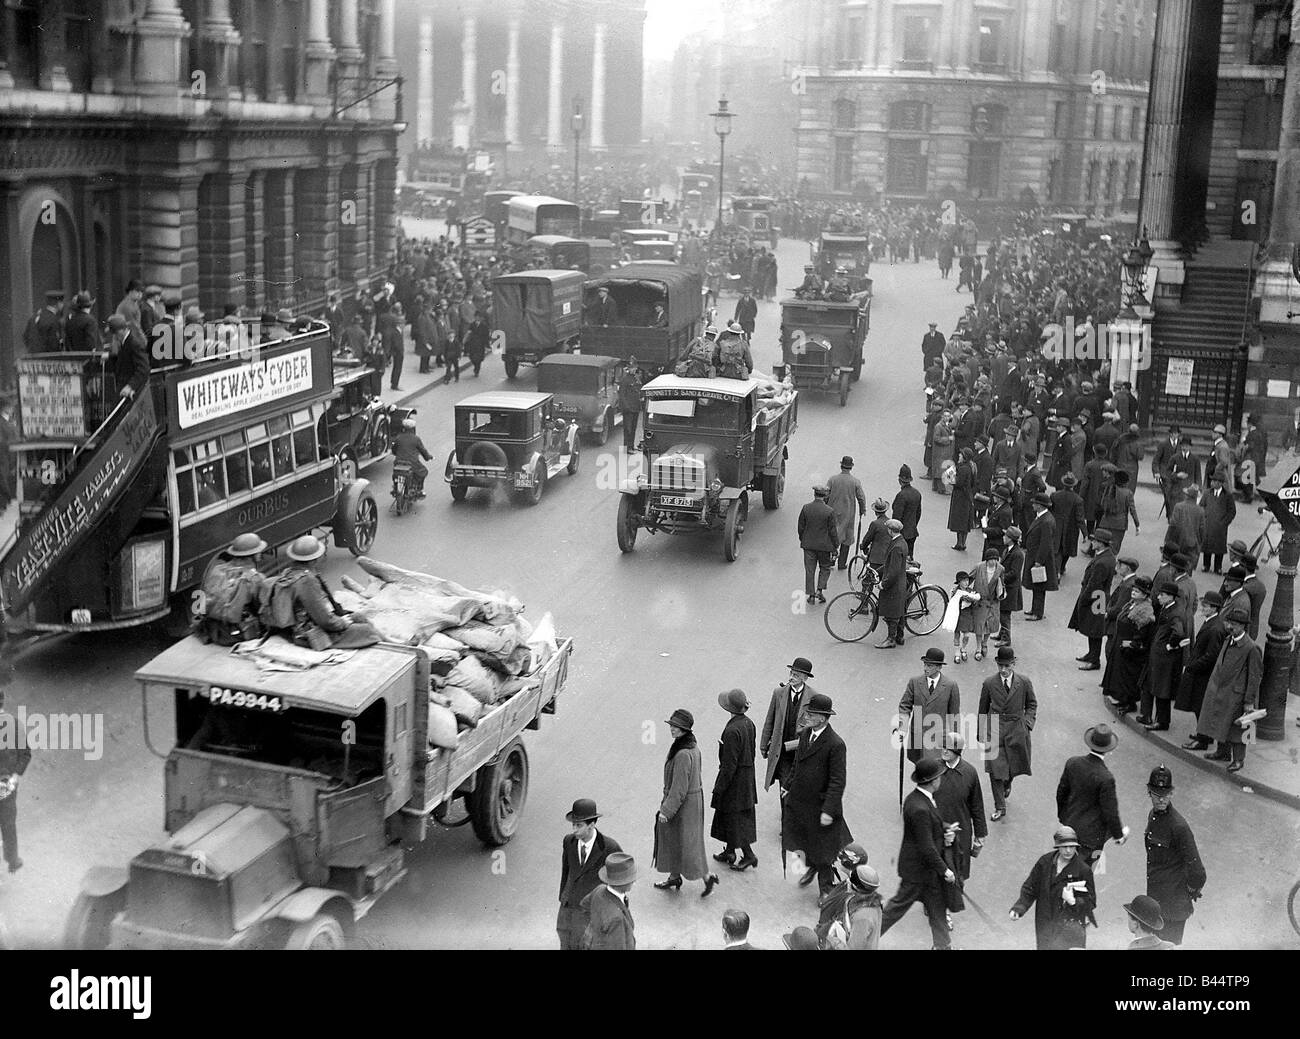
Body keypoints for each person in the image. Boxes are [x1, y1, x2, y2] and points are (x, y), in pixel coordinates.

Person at [879, 757, 955, 950]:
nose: (941, 779)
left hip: (925, 871)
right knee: (896, 908)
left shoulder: (918, 799)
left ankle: (943, 946)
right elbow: (926, 845)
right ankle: (866, 936)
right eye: (939, 776)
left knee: (937, 909)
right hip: (918, 872)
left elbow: (928, 828)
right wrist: (945, 871)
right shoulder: (920, 807)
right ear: (933, 781)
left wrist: (945, 828)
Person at [781, 694, 851, 896]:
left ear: (823, 718)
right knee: (801, 840)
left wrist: (829, 810)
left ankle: (826, 889)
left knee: (824, 850)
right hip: (801, 800)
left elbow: (838, 781)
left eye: (811, 713)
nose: (807, 716)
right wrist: (788, 784)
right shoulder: (805, 735)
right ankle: (810, 867)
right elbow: (797, 764)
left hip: (821, 806)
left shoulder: (836, 744)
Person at [265, 535, 381, 650]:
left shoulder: (290, 572)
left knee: (358, 617)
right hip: (309, 635)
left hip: (300, 628)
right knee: (366, 630)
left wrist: (342, 616)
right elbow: (323, 618)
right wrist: (341, 622)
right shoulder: (307, 581)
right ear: (314, 559)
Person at [654, 709, 719, 897]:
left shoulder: (682, 753)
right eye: (672, 726)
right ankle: (675, 876)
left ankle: (707, 877)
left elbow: (679, 788)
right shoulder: (691, 746)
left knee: (688, 846)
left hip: (684, 806)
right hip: (692, 802)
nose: (672, 729)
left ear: (684, 729)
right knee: (680, 842)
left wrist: (666, 811)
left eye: (676, 727)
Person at [1142, 765, 1205, 945]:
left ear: (1171, 794)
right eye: (1156, 794)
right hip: (1156, 902)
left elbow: (1198, 872)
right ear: (1149, 793)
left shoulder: (1179, 826)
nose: (1161, 799)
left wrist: (1190, 890)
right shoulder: (1153, 816)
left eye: (1166, 794)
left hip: (1173, 909)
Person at [1008, 826, 1097, 950]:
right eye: (1064, 846)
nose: (1068, 851)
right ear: (1058, 846)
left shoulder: (1083, 870)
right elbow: (1031, 887)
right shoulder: (1045, 862)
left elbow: (1091, 902)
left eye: (1072, 846)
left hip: (1070, 930)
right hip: (1045, 925)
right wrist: (1019, 907)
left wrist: (1073, 901)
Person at [1197, 605, 1262, 773]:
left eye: (1234, 624)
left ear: (1243, 626)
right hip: (1222, 689)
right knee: (1220, 721)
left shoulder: (1251, 647)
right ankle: (1222, 752)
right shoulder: (1228, 640)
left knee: (1237, 729)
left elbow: (1255, 677)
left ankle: (1239, 760)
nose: (1230, 626)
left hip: (1238, 695)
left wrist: (1249, 701)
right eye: (1229, 622)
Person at [1055, 724, 1128, 866]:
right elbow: (1110, 812)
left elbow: (1061, 793)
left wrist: (1064, 817)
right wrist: (1119, 835)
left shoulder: (1073, 763)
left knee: (1062, 867)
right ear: (1108, 749)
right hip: (1091, 839)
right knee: (1084, 875)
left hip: (1069, 828)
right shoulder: (1106, 778)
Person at [978, 646, 1036, 821]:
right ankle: (1000, 806)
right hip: (994, 729)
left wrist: (1027, 724)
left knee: (1012, 766)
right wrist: (981, 732)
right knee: (995, 770)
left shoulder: (1024, 682)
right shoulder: (989, 683)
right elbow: (983, 708)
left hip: (1017, 730)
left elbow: (1032, 704)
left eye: (1007, 666)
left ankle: (1008, 783)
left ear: (1014, 664)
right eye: (1000, 666)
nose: (1003, 670)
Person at [557, 798, 623, 950]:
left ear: (592, 825)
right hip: (568, 909)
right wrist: (563, 898)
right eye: (573, 824)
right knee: (565, 943)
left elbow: (619, 881)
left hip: (590, 913)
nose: (574, 829)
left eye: (578, 825)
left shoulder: (609, 847)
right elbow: (566, 871)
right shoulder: (568, 841)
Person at [711, 689, 758, 872]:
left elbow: (729, 765)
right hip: (746, 779)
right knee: (730, 817)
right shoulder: (749, 724)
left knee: (735, 819)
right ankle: (730, 851)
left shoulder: (731, 730)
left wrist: (719, 787)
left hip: (734, 783)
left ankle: (749, 855)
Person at [1176, 591, 1227, 750]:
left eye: (1206, 605)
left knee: (1201, 706)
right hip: (1202, 672)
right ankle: (1203, 735)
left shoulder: (1215, 628)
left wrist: (1192, 666)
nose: (1203, 608)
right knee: (1200, 705)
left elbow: (1211, 656)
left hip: (1203, 674)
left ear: (1215, 608)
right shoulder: (1212, 623)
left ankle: (1203, 739)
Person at [935, 731, 987, 887]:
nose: (944, 750)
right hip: (936, 829)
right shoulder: (932, 768)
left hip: (960, 832)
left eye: (948, 749)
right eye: (943, 747)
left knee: (958, 870)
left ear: (957, 752)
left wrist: (980, 835)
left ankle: (952, 898)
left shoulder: (970, 773)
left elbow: (977, 806)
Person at [760, 657, 816, 792]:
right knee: (784, 785)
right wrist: (763, 745)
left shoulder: (813, 697)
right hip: (783, 751)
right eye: (791, 673)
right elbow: (770, 720)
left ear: (805, 678)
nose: (791, 677)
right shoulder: (779, 693)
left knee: (799, 786)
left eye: (796, 675)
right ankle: (786, 812)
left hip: (801, 751)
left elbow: (814, 726)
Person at [1138, 581, 1187, 733]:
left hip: (1164, 658)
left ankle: (1162, 721)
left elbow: (1178, 633)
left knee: (1162, 690)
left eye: (1162, 595)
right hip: (1158, 655)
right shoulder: (1168, 608)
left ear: (1171, 596)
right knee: (1152, 685)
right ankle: (1149, 715)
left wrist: (1170, 645)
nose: (1158, 597)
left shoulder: (1175, 613)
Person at [897, 648, 960, 764]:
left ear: (939, 667)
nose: (925, 668)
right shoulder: (915, 682)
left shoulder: (951, 686)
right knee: (920, 771)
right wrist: (902, 727)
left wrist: (955, 740)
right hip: (917, 737)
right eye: (925, 664)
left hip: (938, 739)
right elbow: (905, 705)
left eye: (929, 666)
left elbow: (954, 715)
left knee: (936, 771)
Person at [1104, 576, 1156, 714]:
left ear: (1145, 595)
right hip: (1121, 642)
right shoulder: (1132, 604)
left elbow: (1141, 634)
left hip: (1129, 647)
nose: (1134, 592)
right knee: (1120, 673)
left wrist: (1129, 645)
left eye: (1138, 591)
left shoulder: (1145, 611)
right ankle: (1120, 698)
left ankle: (1129, 703)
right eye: (1134, 589)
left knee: (1128, 676)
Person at [1069, 529, 1116, 670]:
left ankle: (1095, 660)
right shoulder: (1106, 556)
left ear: (1101, 543)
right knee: (1093, 627)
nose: (1092, 543)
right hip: (1099, 597)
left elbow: (1094, 584)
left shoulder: (1102, 561)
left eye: (1095, 541)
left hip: (1097, 598)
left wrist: (1084, 599)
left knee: (1095, 629)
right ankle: (1091, 654)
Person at [0, 686, 30, 876]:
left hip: (7, 784)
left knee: (8, 823)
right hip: (8, 784)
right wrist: (15, 776)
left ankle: (12, 859)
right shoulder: (14, 724)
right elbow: (25, 754)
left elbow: (25, 753)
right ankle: (12, 860)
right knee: (8, 823)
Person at [580, 852, 637, 950]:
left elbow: (584, 905)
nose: (634, 881)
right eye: (631, 878)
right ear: (622, 882)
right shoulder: (616, 919)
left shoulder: (599, 889)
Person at [798, 484, 839, 606]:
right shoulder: (829, 511)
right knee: (825, 567)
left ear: (814, 494)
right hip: (824, 547)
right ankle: (819, 590)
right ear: (825, 496)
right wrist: (835, 546)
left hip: (808, 545)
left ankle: (811, 595)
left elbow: (801, 527)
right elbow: (833, 531)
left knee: (810, 570)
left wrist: (803, 539)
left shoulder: (806, 508)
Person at [1022, 493, 1058, 620]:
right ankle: (1034, 609)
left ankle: (1037, 613)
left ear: (1040, 505)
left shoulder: (1046, 521)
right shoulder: (1043, 518)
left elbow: (1045, 543)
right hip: (1035, 556)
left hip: (1039, 559)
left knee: (1039, 586)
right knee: (1035, 586)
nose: (1032, 505)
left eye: (1034, 503)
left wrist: (1039, 560)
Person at [827, 456, 867, 571]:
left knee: (833, 534)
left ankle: (831, 559)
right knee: (847, 537)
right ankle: (841, 563)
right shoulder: (855, 481)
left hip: (832, 511)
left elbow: (826, 493)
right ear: (851, 467)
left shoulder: (832, 479)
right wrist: (862, 509)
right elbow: (861, 497)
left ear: (841, 466)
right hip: (848, 514)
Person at [875, 519, 909, 649]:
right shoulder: (901, 542)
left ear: (890, 530)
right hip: (900, 582)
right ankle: (900, 636)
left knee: (892, 613)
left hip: (894, 585)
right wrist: (879, 571)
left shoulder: (896, 547)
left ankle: (891, 639)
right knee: (899, 610)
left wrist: (883, 584)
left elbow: (893, 570)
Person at [969, 549, 1004, 661]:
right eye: (990, 559)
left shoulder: (1000, 569)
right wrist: (963, 590)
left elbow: (1002, 585)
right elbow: (969, 579)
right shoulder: (979, 567)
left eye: (995, 559)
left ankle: (985, 643)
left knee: (990, 625)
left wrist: (1001, 593)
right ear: (986, 559)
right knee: (979, 626)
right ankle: (978, 648)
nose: (993, 562)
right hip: (980, 601)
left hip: (993, 602)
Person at [106, 314, 150, 401]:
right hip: (123, 386)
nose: (114, 336)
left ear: (120, 331)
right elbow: (124, 358)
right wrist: (110, 357)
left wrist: (130, 386)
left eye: (114, 333)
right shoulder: (125, 342)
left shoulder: (134, 344)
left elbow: (143, 368)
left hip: (131, 390)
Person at [1050, 473, 1087, 576]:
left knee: (1057, 549)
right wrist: (1085, 533)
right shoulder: (1078, 499)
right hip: (1071, 528)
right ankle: (1061, 568)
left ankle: (1057, 570)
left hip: (1056, 526)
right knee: (1067, 550)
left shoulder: (1054, 495)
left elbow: (1050, 510)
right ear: (1073, 485)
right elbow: (1080, 518)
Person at [1201, 473, 1235, 573]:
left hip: (1221, 526)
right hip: (1208, 524)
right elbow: (1201, 505)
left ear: (1220, 483)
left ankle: (1218, 567)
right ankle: (1206, 565)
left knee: (1219, 547)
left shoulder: (1227, 495)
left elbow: (1232, 511)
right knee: (1207, 545)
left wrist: (1225, 522)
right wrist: (1204, 518)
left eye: (1215, 481)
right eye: (1212, 481)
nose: (1212, 483)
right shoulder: (1207, 493)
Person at [392, 418, 432, 497]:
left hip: (398, 463)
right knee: (424, 472)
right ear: (413, 428)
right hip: (412, 463)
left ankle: (395, 488)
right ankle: (419, 490)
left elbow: (394, 450)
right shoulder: (416, 439)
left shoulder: (398, 437)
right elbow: (423, 451)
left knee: (396, 474)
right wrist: (428, 457)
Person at [949, 447, 977, 551]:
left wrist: (951, 478)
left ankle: (959, 543)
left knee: (959, 521)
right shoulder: (972, 467)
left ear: (964, 457)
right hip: (967, 496)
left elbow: (958, 482)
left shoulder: (963, 468)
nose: (959, 456)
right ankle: (963, 543)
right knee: (964, 522)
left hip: (961, 497)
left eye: (961, 455)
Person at [892, 465, 922, 558]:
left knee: (899, 558)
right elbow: (918, 513)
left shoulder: (901, 495)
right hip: (912, 532)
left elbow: (897, 517)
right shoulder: (917, 493)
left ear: (900, 481)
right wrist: (913, 525)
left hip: (902, 534)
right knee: (909, 557)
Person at [616, 357, 645, 454]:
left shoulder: (636, 379)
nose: (633, 369)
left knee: (633, 428)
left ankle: (631, 446)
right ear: (628, 368)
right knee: (627, 429)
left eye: (634, 367)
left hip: (635, 408)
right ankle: (627, 448)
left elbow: (639, 391)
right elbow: (622, 395)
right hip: (628, 409)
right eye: (631, 368)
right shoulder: (625, 380)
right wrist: (626, 406)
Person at [24, 288, 65, 353]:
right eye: (62, 302)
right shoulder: (54, 320)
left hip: (32, 356)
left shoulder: (35, 317)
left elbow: (26, 336)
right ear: (58, 303)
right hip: (47, 358)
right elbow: (54, 343)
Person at [463, 311, 490, 377]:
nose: (477, 318)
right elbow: (469, 333)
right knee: (472, 357)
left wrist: (487, 345)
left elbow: (486, 335)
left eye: (478, 317)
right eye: (476, 317)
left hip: (480, 344)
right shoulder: (472, 325)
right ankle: (475, 366)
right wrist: (464, 340)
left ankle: (477, 370)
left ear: (480, 318)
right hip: (473, 344)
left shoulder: (484, 325)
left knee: (479, 358)